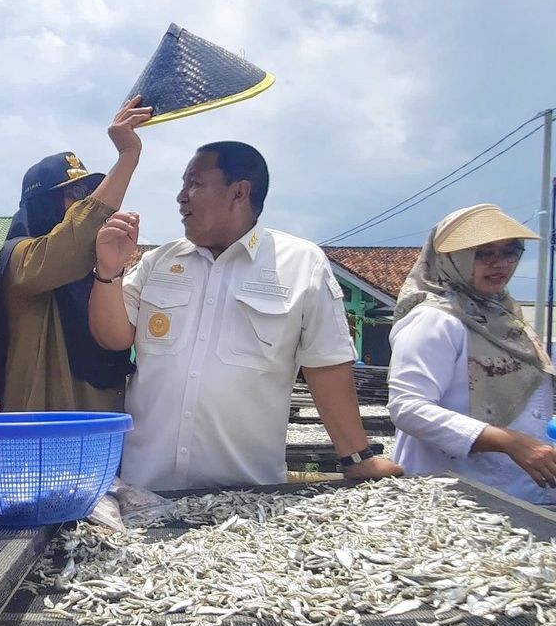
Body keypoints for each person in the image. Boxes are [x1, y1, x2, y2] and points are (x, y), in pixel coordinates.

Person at [89, 141, 402, 490]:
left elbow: (326, 366)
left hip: (248, 498)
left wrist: (358, 459)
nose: (181, 197)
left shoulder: (300, 264)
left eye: (194, 183)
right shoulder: (160, 261)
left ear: (239, 192)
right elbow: (113, 337)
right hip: (143, 487)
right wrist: (108, 270)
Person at [0, 96, 152, 412]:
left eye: (86, 195)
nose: (84, 203)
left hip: (104, 429)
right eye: (74, 196)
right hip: (44, 434)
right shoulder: (21, 260)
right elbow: (69, 241)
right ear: (43, 206)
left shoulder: (99, 267)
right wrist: (127, 157)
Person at [388, 204, 556, 503]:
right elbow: (408, 408)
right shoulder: (435, 319)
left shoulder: (503, 315)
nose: (499, 263)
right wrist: (507, 442)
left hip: (518, 492)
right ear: (452, 258)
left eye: (510, 251)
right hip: (454, 497)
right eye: (483, 253)